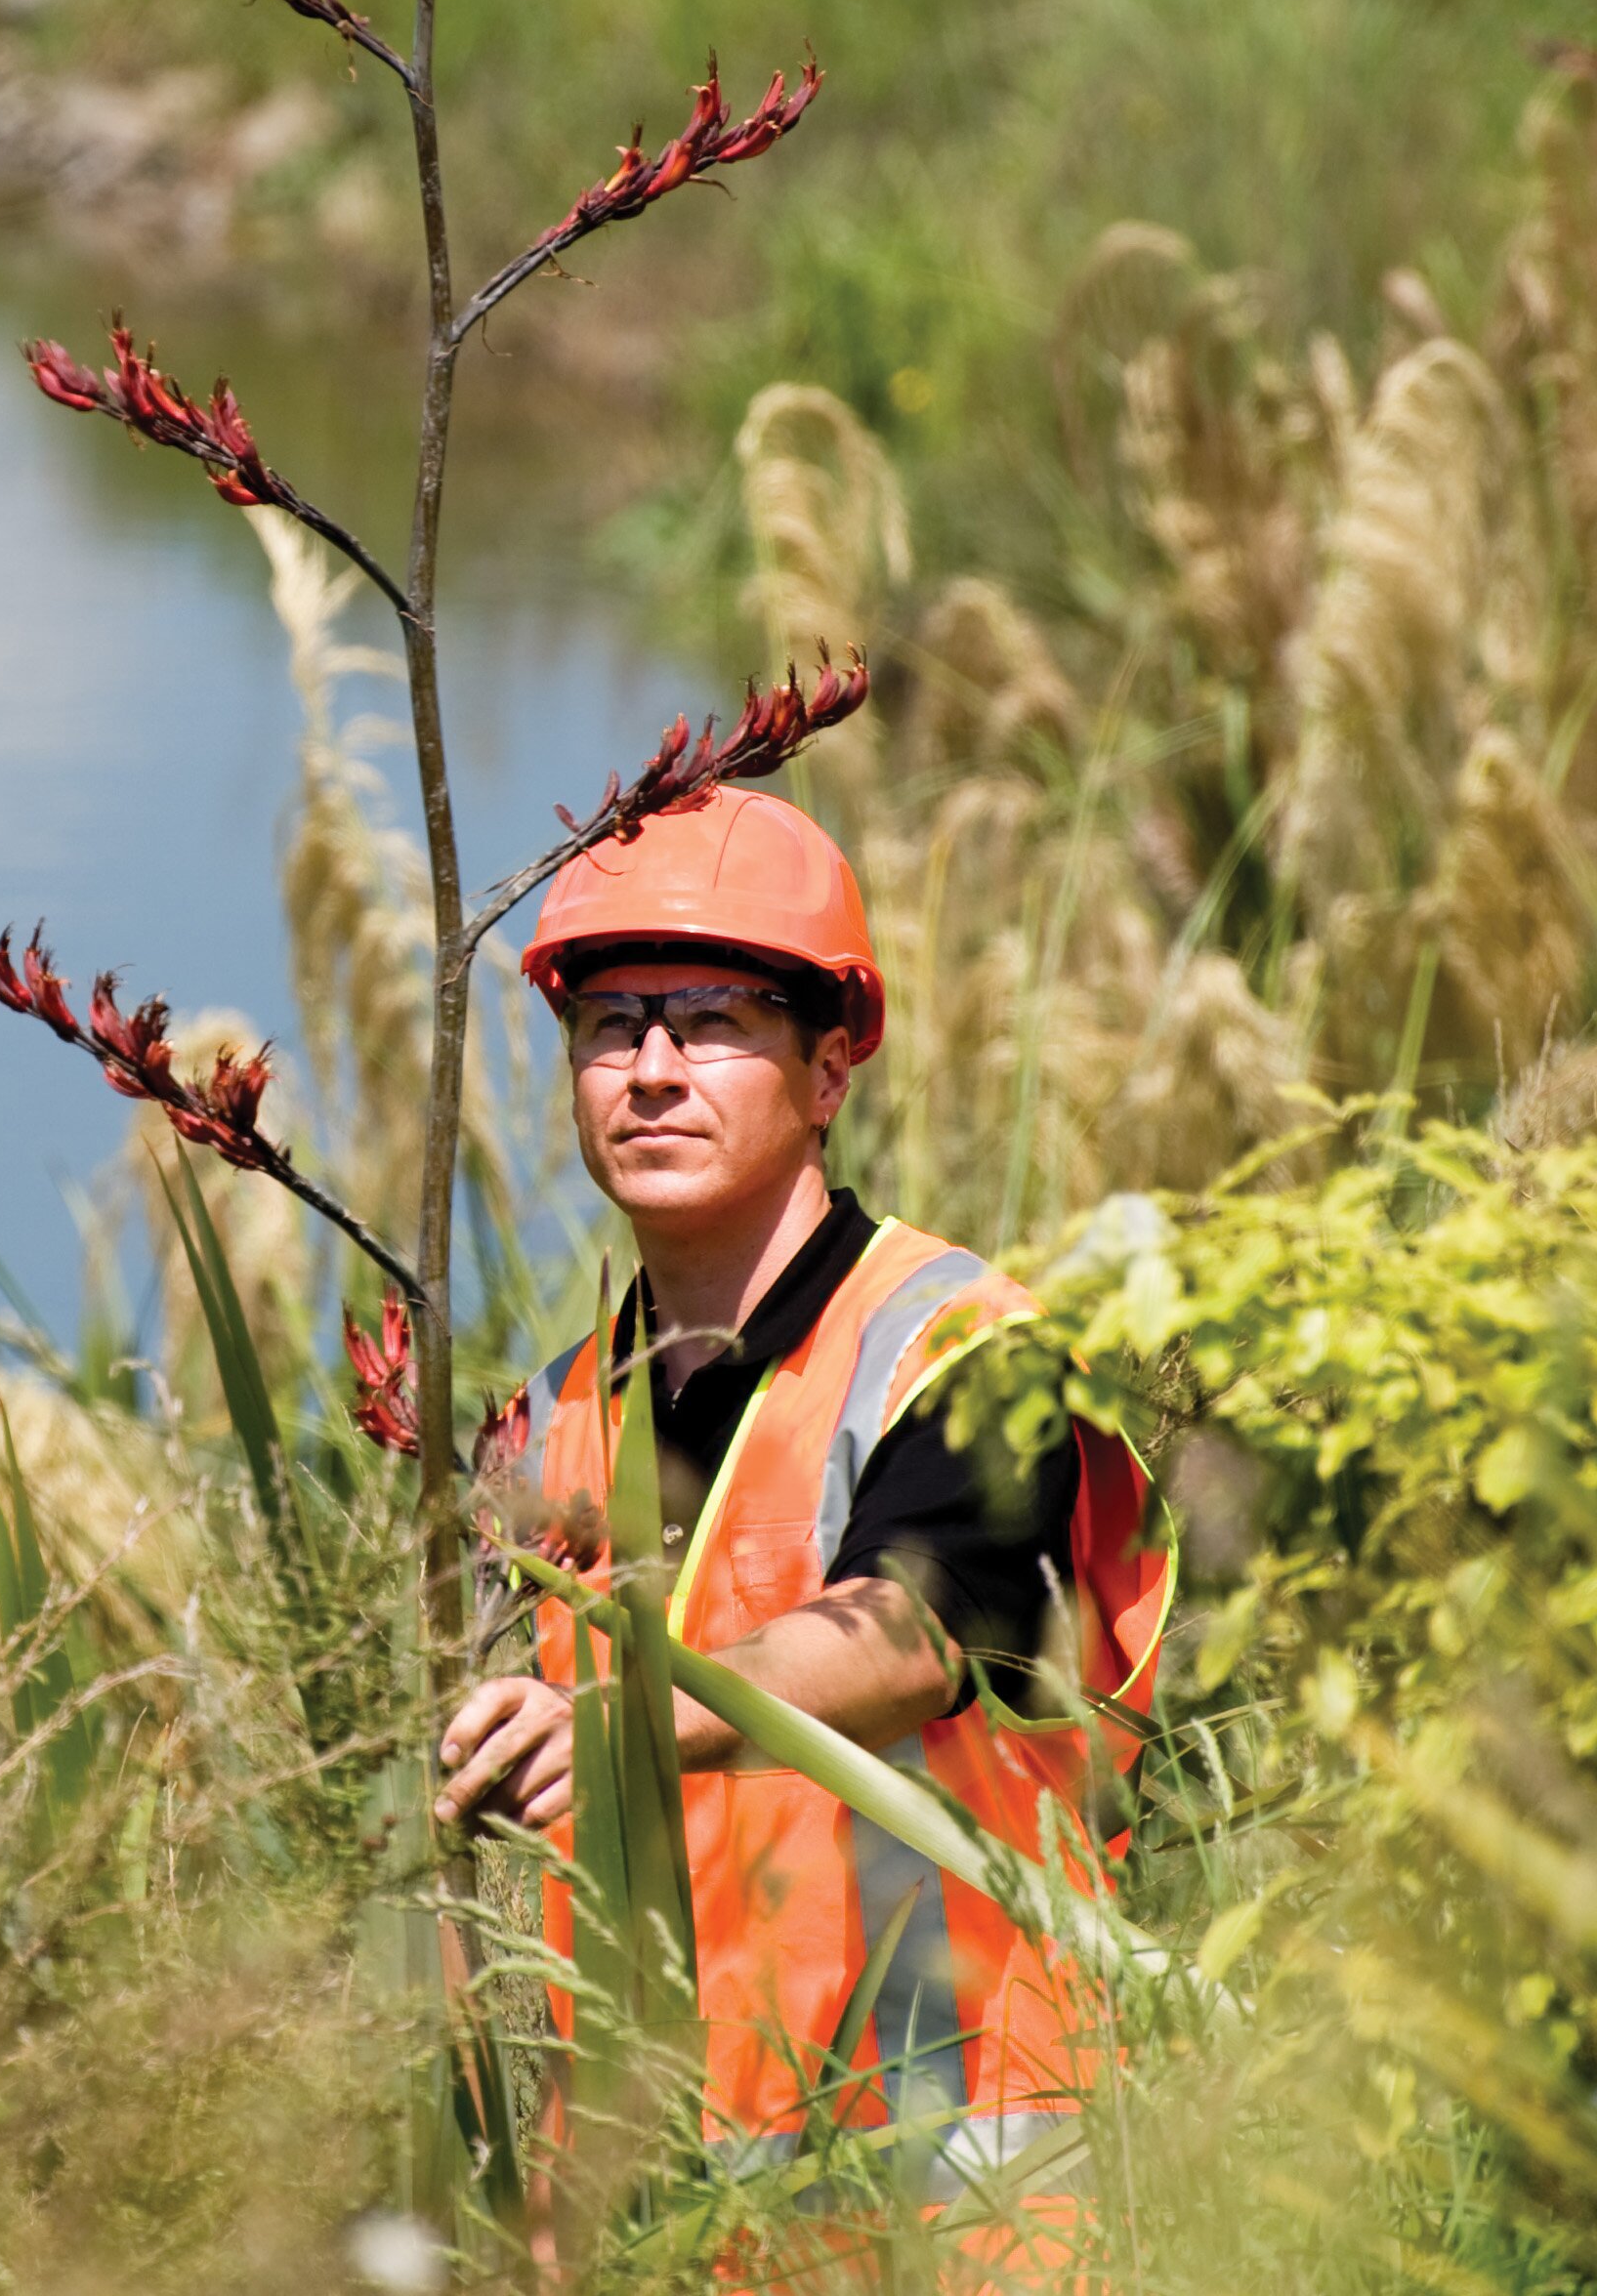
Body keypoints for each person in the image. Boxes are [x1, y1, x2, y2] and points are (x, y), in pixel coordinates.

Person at [435, 782, 1167, 2211]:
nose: (651, 1068)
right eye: (608, 1027)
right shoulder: (539, 1435)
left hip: (953, 2212)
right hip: (652, 2223)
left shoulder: (962, 1350)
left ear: (831, 1069)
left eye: (711, 1022)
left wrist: (629, 1721)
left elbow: (908, 1636)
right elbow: (483, 1848)